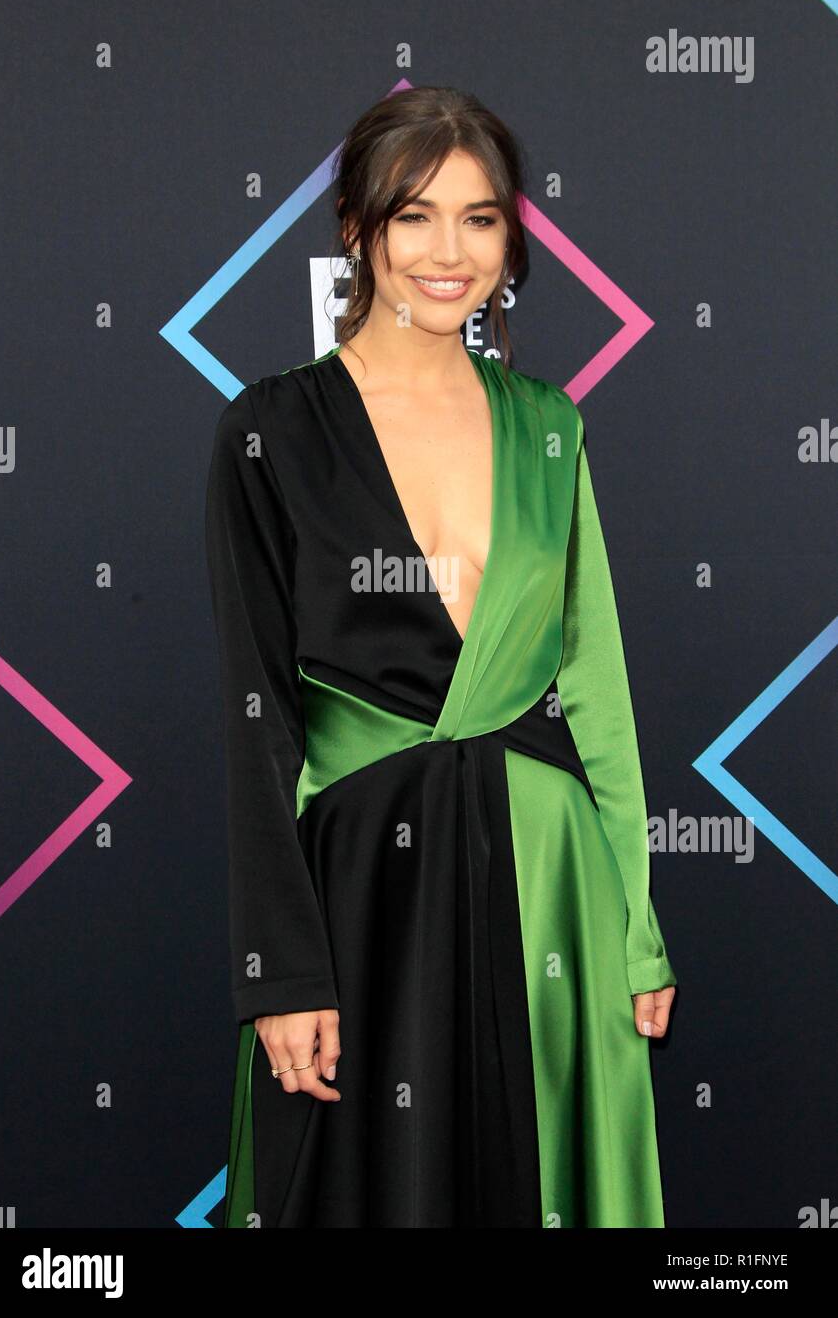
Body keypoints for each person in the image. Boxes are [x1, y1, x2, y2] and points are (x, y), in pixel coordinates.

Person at [205, 85, 677, 1229]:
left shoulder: (547, 425)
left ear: (511, 239)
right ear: (356, 231)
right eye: (412, 215)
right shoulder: (269, 430)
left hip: (547, 878)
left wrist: (634, 928)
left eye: (479, 217)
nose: (446, 250)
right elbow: (257, 718)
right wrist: (283, 970)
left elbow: (597, 693)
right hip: (359, 888)